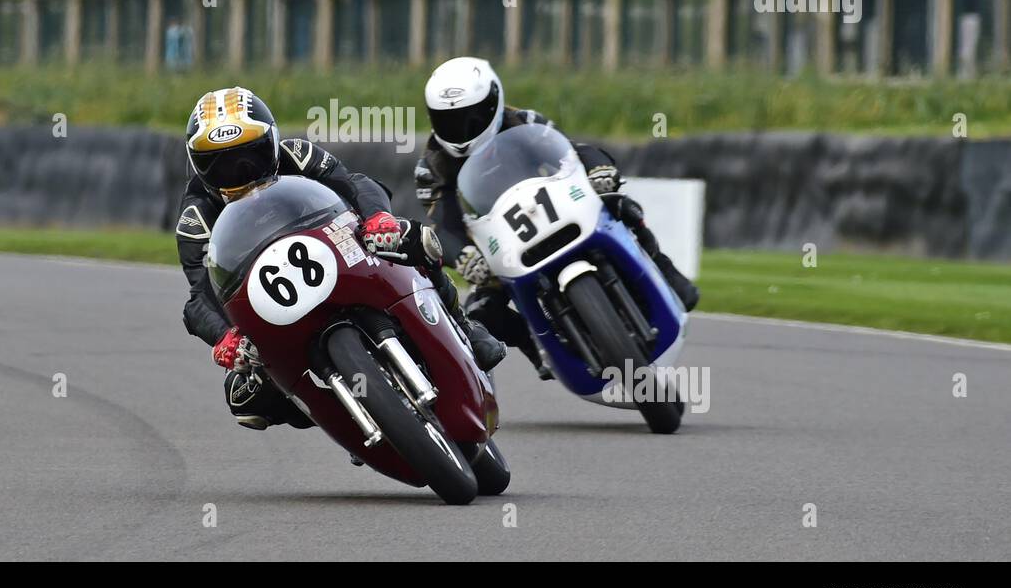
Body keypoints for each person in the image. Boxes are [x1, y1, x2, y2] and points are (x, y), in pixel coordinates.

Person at [176, 87, 505, 431]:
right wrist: (224, 337)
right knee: (244, 399)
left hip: (340, 249)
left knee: (414, 240)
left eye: (249, 156)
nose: (240, 174)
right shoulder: (196, 218)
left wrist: (378, 218)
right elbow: (199, 298)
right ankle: (342, 415)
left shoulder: (297, 155)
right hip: (271, 302)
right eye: (220, 166)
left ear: (271, 143)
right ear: (198, 167)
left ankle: (465, 326)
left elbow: (354, 183)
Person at [414, 57, 700, 380]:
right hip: (503, 246)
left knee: (621, 207)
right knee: (481, 312)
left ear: (493, 102)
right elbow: (443, 223)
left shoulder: (524, 122)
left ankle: (666, 271)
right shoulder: (431, 166)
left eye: (471, 117)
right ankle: (536, 347)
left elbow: (574, 152)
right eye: (448, 120)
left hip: (558, 209)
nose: (461, 129)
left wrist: (599, 171)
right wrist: (463, 256)